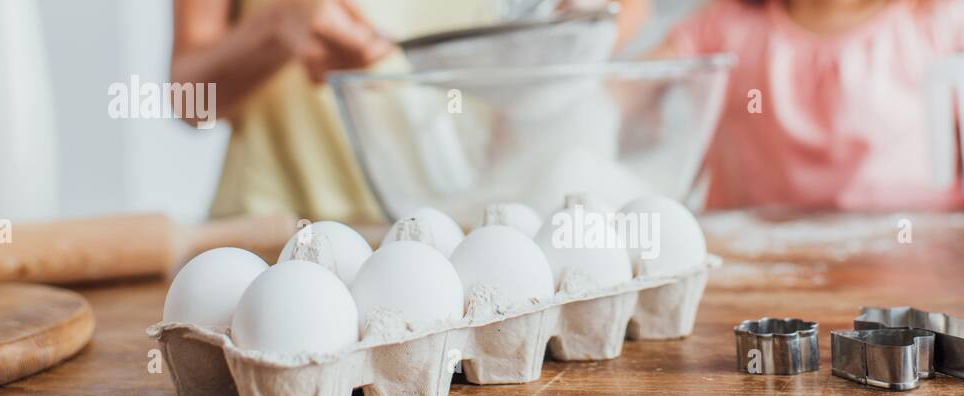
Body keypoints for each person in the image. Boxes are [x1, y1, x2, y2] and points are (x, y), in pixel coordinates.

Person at [171, 0, 651, 222]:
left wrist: (586, 22)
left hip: (450, 226)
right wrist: (276, 26)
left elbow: (623, 9)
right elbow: (189, 98)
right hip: (269, 235)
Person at [656, 0, 964, 211]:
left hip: (922, 273)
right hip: (756, 276)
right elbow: (619, 95)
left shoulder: (945, 19)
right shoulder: (724, 23)